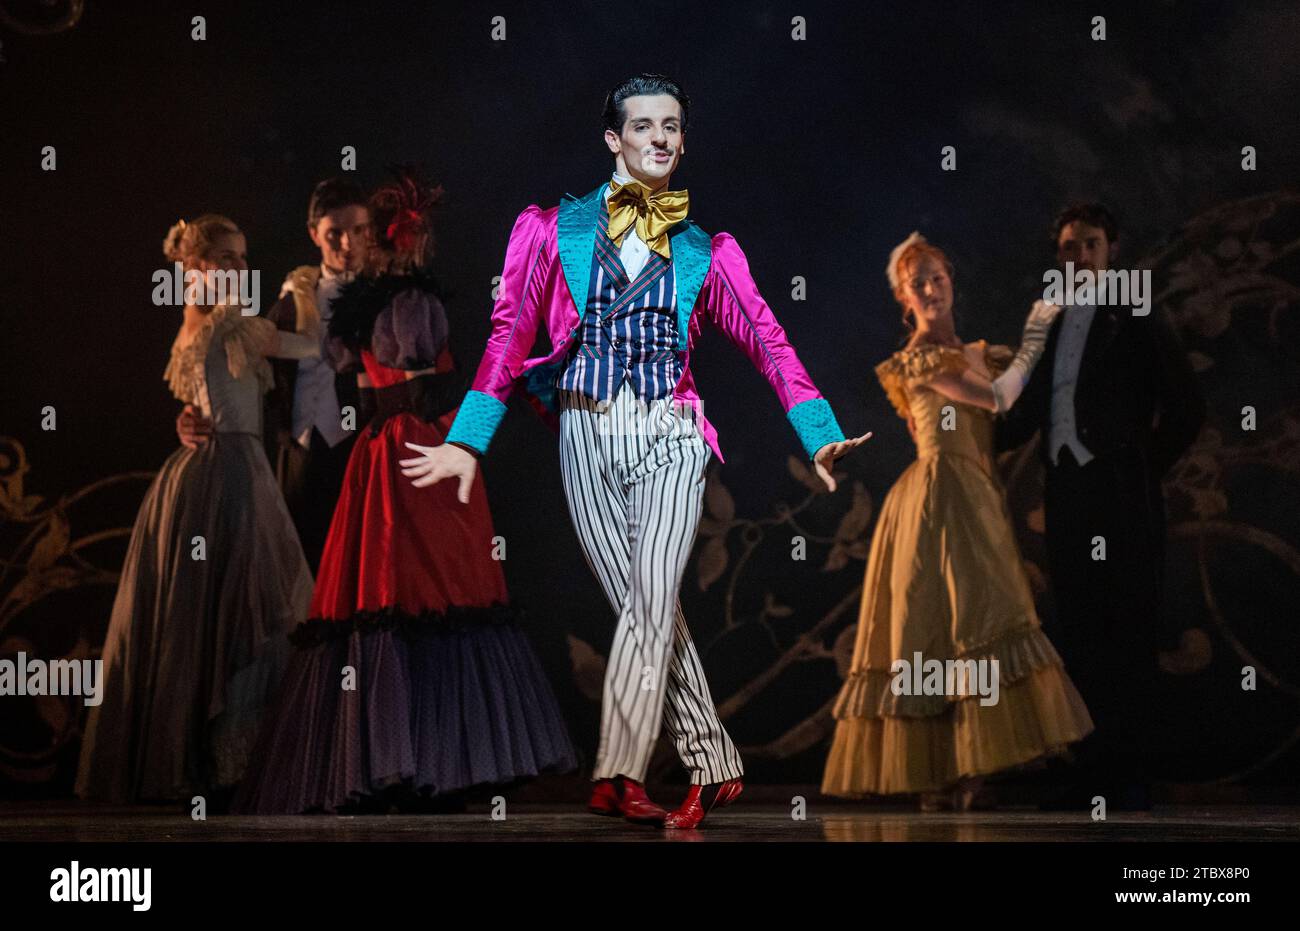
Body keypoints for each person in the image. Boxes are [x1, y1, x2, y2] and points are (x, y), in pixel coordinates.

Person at [401, 74, 870, 828]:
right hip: (585, 428)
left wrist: (818, 431)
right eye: (644, 125)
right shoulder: (551, 229)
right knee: (639, 606)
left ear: (683, 142)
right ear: (613, 140)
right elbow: (508, 334)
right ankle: (713, 761)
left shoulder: (705, 252)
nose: (660, 136)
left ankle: (617, 770)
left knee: (651, 594)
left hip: (673, 430)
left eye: (673, 126)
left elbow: (770, 344)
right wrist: (467, 440)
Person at [233, 170, 577, 815]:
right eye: (360, 236)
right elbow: (331, 358)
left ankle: (430, 761)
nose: (366, 246)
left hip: (412, 441)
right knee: (390, 592)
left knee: (426, 589)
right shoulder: (344, 296)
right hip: (382, 446)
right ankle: (393, 760)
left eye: (374, 235)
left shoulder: (406, 297)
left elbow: (413, 356)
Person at [821, 233, 1094, 810]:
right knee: (936, 625)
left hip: (974, 493)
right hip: (938, 498)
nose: (930, 288)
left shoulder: (974, 351)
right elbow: (995, 400)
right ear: (905, 297)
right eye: (917, 282)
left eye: (937, 277)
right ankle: (941, 774)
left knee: (978, 622)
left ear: (951, 282)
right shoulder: (921, 358)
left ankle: (970, 769)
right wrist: (1038, 333)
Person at [77, 215, 318, 804]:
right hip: (232, 472)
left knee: (212, 614)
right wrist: (306, 294)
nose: (240, 267)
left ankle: (215, 757)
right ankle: (237, 762)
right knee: (251, 607)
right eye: (228, 258)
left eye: (242, 257)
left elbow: (194, 404)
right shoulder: (232, 321)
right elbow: (307, 345)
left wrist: (186, 421)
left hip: (200, 473)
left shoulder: (191, 322)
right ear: (201, 267)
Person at [997, 204, 1205, 810]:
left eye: (1090, 245)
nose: (1080, 256)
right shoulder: (1052, 322)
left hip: (1122, 499)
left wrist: (1138, 466)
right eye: (1069, 248)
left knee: (1129, 634)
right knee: (1080, 632)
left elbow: (1187, 409)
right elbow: (1030, 411)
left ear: (1111, 249)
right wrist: (959, 445)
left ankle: (1129, 777)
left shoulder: (1137, 313)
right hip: (1067, 498)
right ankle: (1090, 777)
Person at [176, 179, 371, 573]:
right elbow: (241, 376)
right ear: (314, 234)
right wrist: (192, 413)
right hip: (297, 452)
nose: (347, 244)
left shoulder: (390, 296)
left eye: (359, 231)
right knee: (296, 570)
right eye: (335, 233)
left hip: (363, 449)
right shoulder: (290, 298)